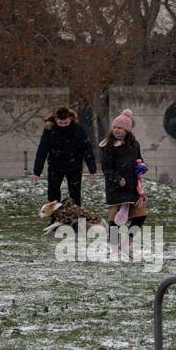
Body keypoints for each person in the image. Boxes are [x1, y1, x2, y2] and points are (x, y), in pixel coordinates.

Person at [99, 108, 148, 257]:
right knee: (114, 221)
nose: (116, 130)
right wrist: (117, 179)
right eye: (114, 127)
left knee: (140, 217)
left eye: (119, 127)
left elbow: (139, 159)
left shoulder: (134, 144)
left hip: (132, 188)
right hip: (116, 188)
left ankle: (126, 245)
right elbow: (106, 168)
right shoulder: (108, 146)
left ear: (127, 129)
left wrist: (142, 166)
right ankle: (115, 251)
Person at [31, 106, 97, 206]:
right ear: (56, 119)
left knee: (75, 194)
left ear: (70, 118)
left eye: (66, 123)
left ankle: (76, 215)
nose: (63, 126)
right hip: (55, 166)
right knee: (53, 192)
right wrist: (37, 171)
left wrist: (92, 169)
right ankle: (54, 214)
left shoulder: (77, 129)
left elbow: (87, 149)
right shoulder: (50, 130)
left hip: (74, 165)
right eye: (60, 123)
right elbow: (42, 150)